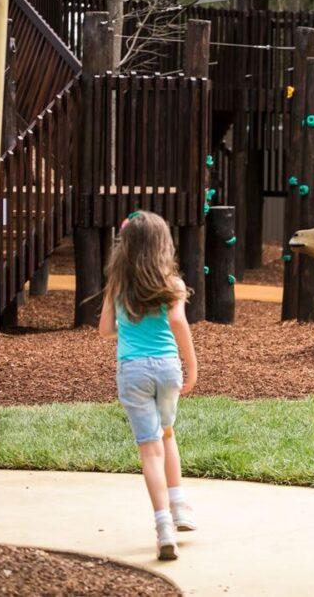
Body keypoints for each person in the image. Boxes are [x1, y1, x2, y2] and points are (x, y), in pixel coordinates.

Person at [99, 211, 198, 561]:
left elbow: (105, 328)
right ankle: (180, 506)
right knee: (168, 433)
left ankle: (164, 527)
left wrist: (128, 321)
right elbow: (177, 322)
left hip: (132, 371)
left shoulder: (118, 285)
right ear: (163, 245)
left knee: (149, 448)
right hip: (168, 369)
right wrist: (193, 367)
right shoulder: (173, 284)